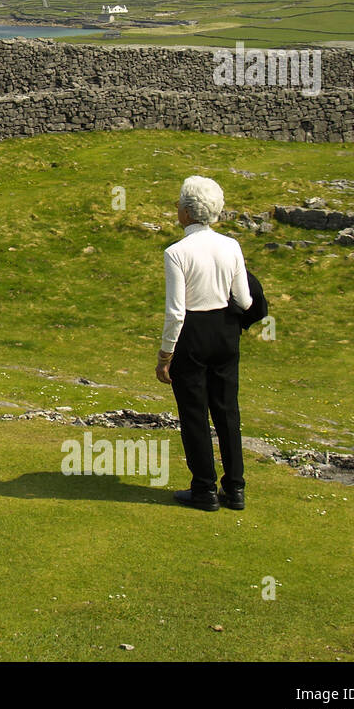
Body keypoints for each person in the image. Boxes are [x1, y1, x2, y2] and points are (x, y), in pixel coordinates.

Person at [155, 176, 252, 511]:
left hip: (192, 335)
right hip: (226, 332)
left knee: (194, 413)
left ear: (186, 212)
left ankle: (204, 489)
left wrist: (165, 355)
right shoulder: (231, 246)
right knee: (227, 410)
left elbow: (176, 312)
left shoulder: (176, 253)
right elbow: (245, 299)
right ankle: (235, 488)